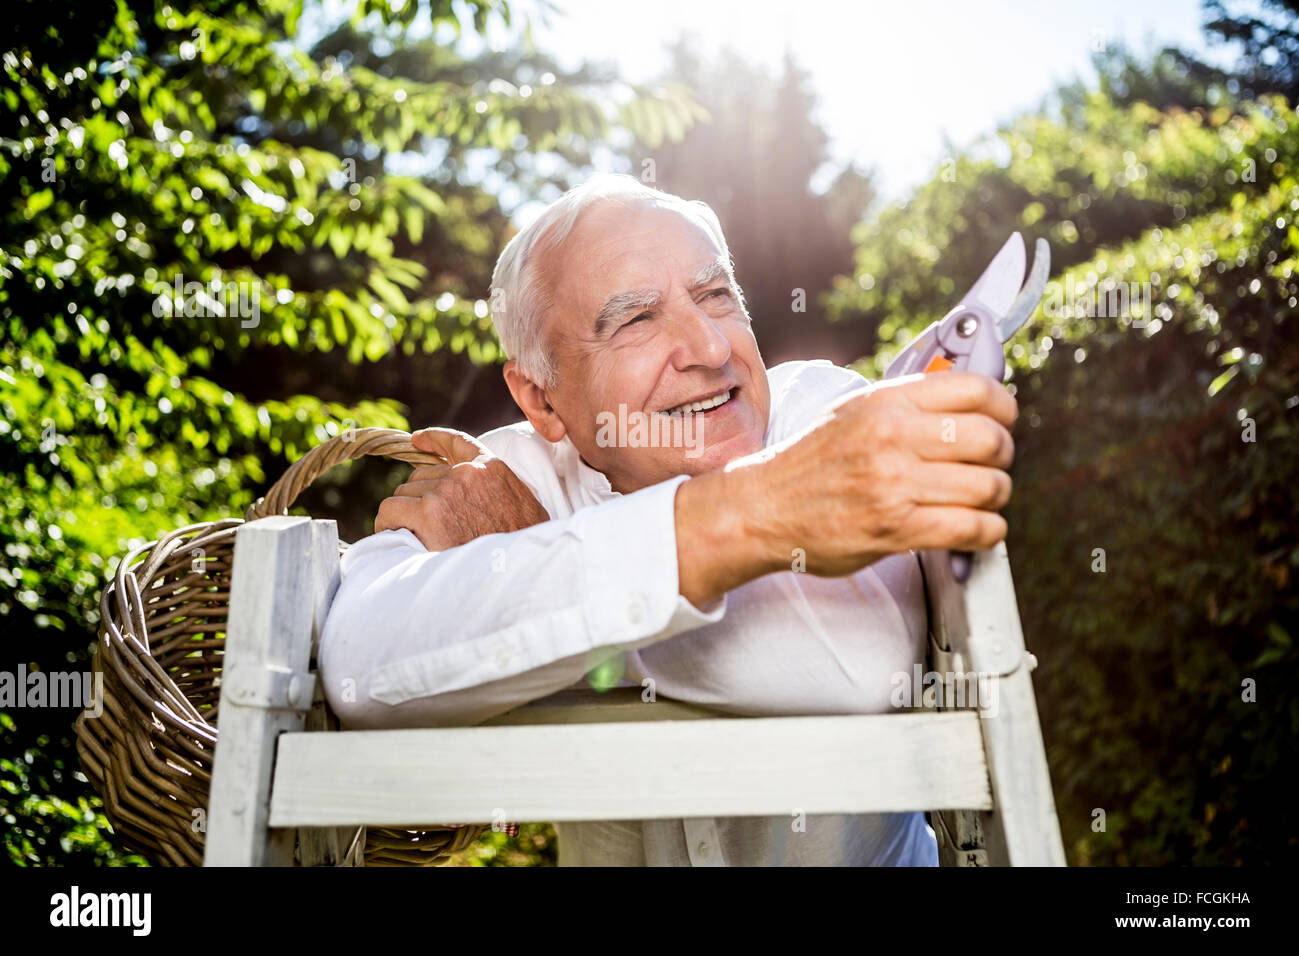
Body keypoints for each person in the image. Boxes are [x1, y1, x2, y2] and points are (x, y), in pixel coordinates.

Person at [318, 173, 1018, 866]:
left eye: (717, 295)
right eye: (635, 319)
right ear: (542, 399)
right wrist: (762, 516)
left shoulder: (824, 408)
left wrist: (545, 574)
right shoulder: (504, 477)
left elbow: (853, 665)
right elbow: (358, 667)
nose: (712, 350)